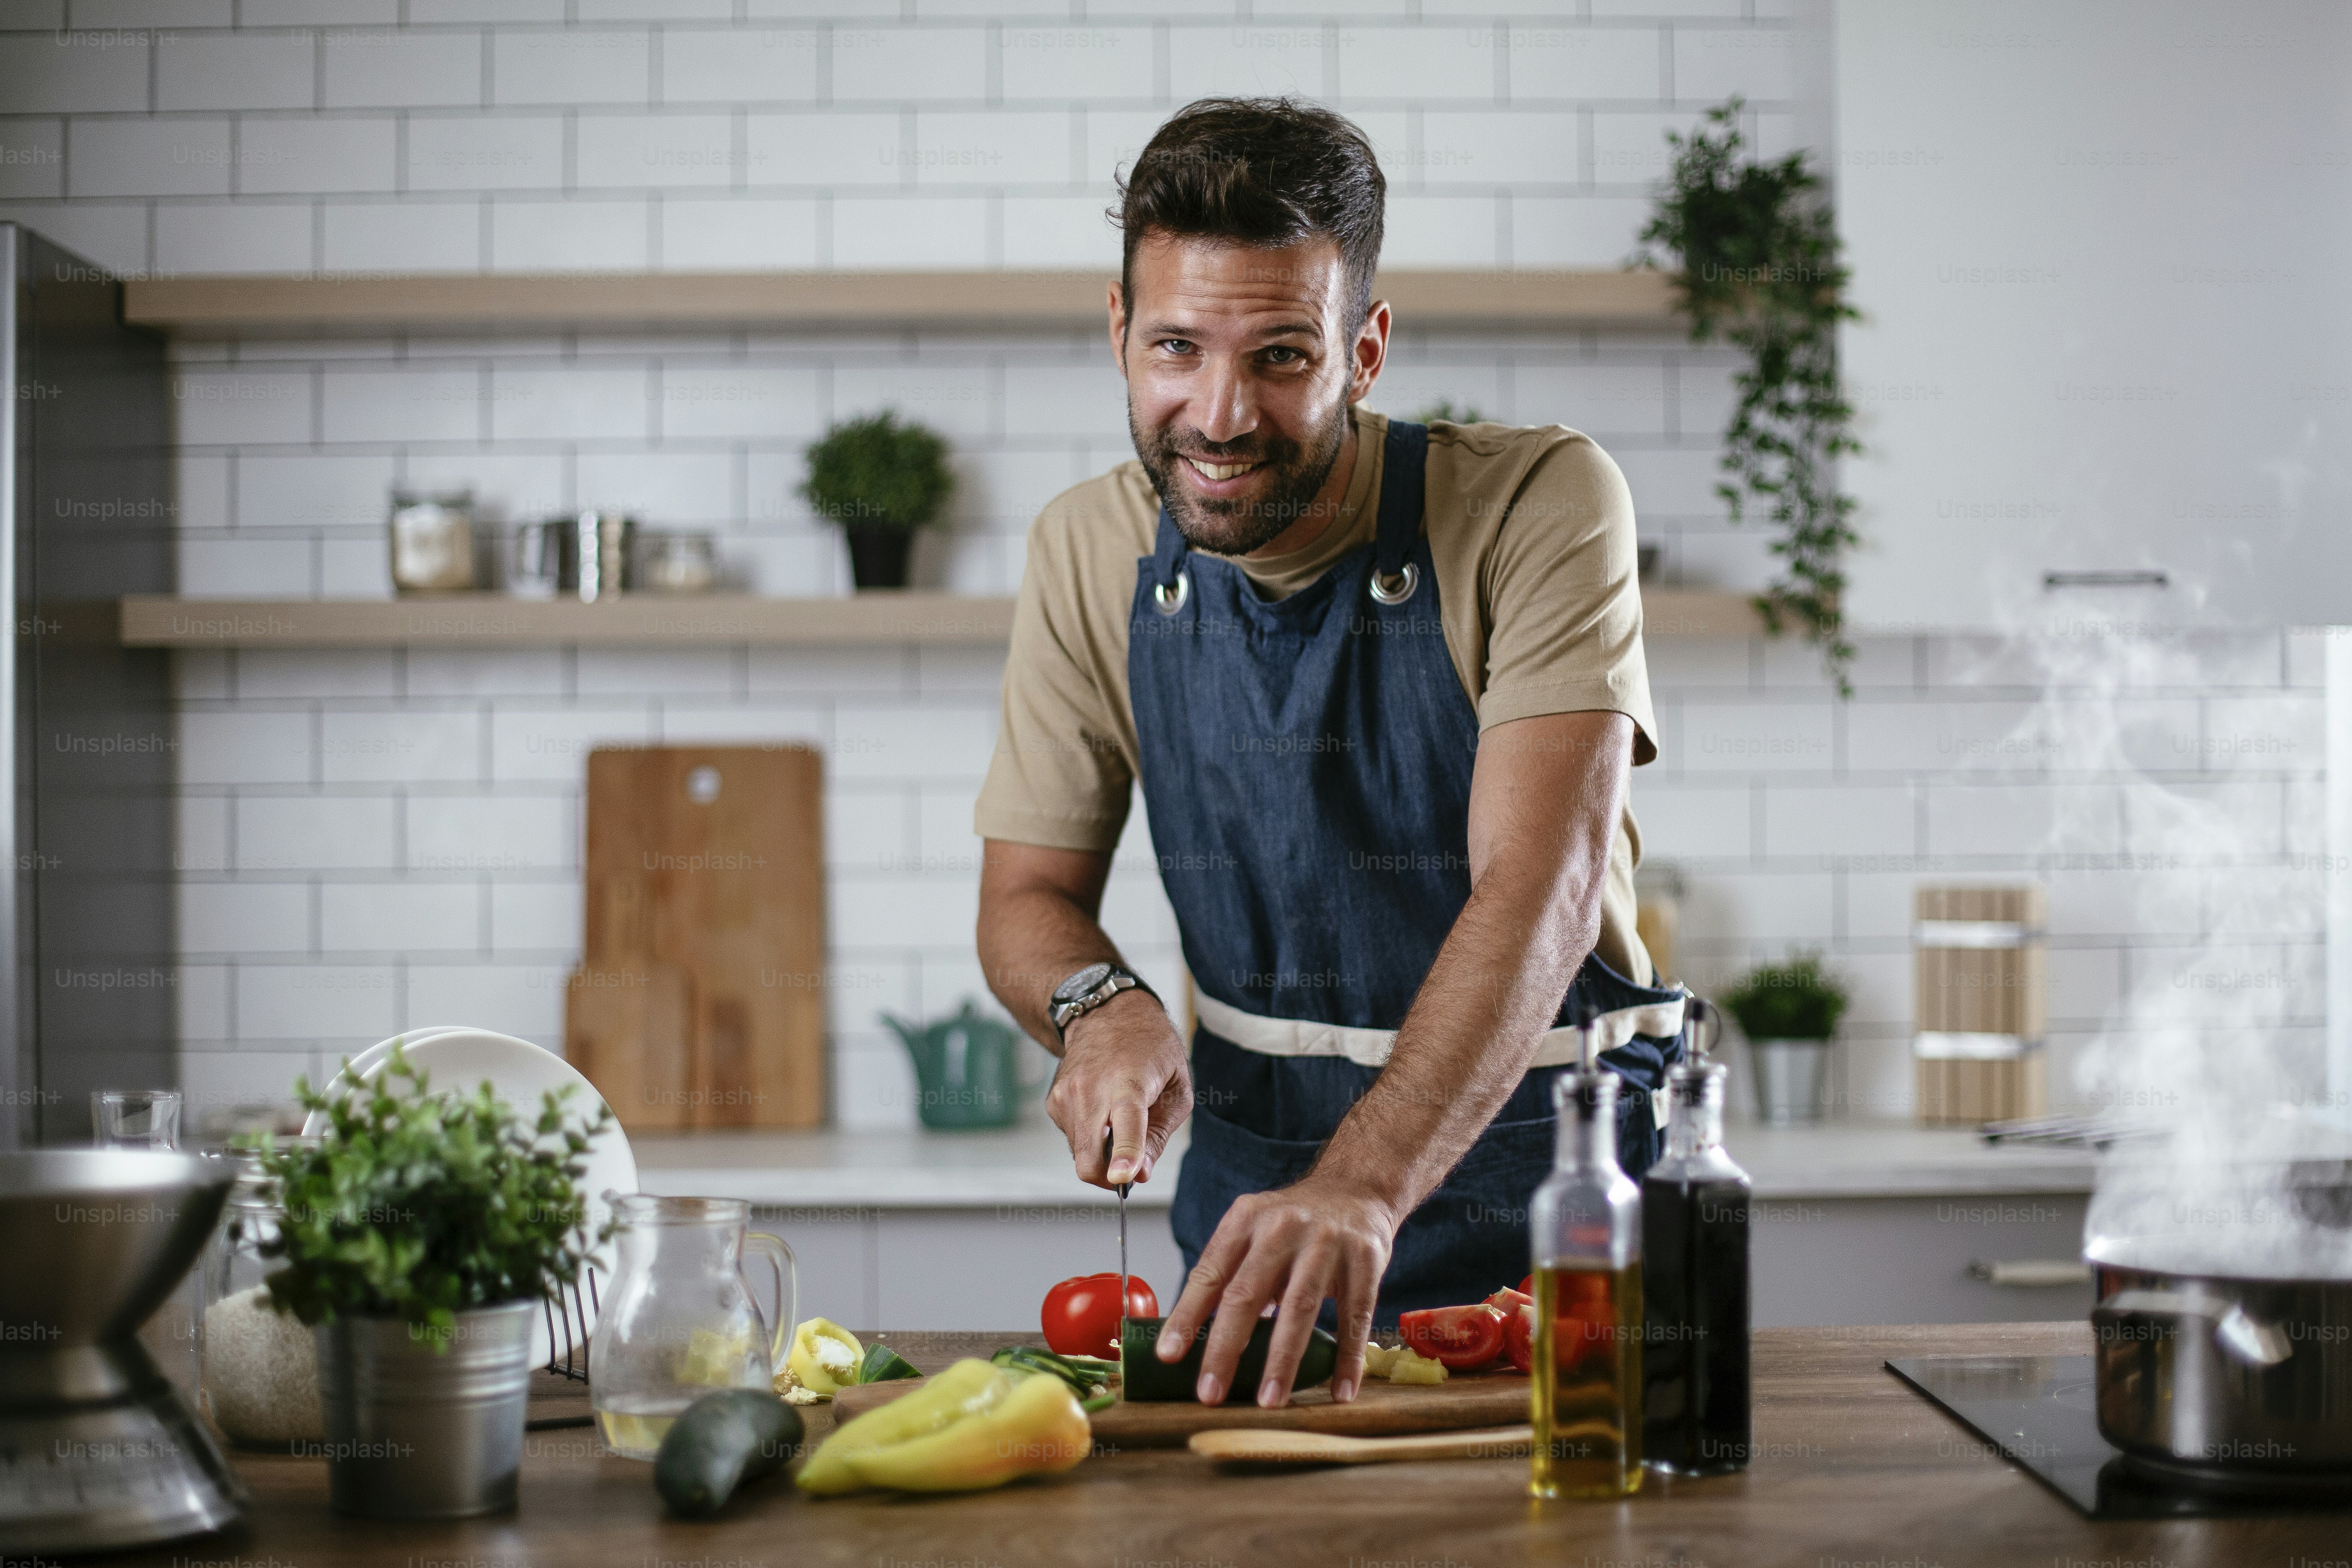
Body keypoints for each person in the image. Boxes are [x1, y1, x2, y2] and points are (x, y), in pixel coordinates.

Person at [973, 97, 1685, 1410]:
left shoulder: (1540, 503)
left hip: (1560, 1229)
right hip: (1256, 1242)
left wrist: (1363, 1185)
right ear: (1120, 333)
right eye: (1177, 347)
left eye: (1283, 357)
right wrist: (1099, 1006)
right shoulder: (1089, 550)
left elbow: (1540, 887)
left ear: (1365, 351)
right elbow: (1026, 899)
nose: (1220, 414)